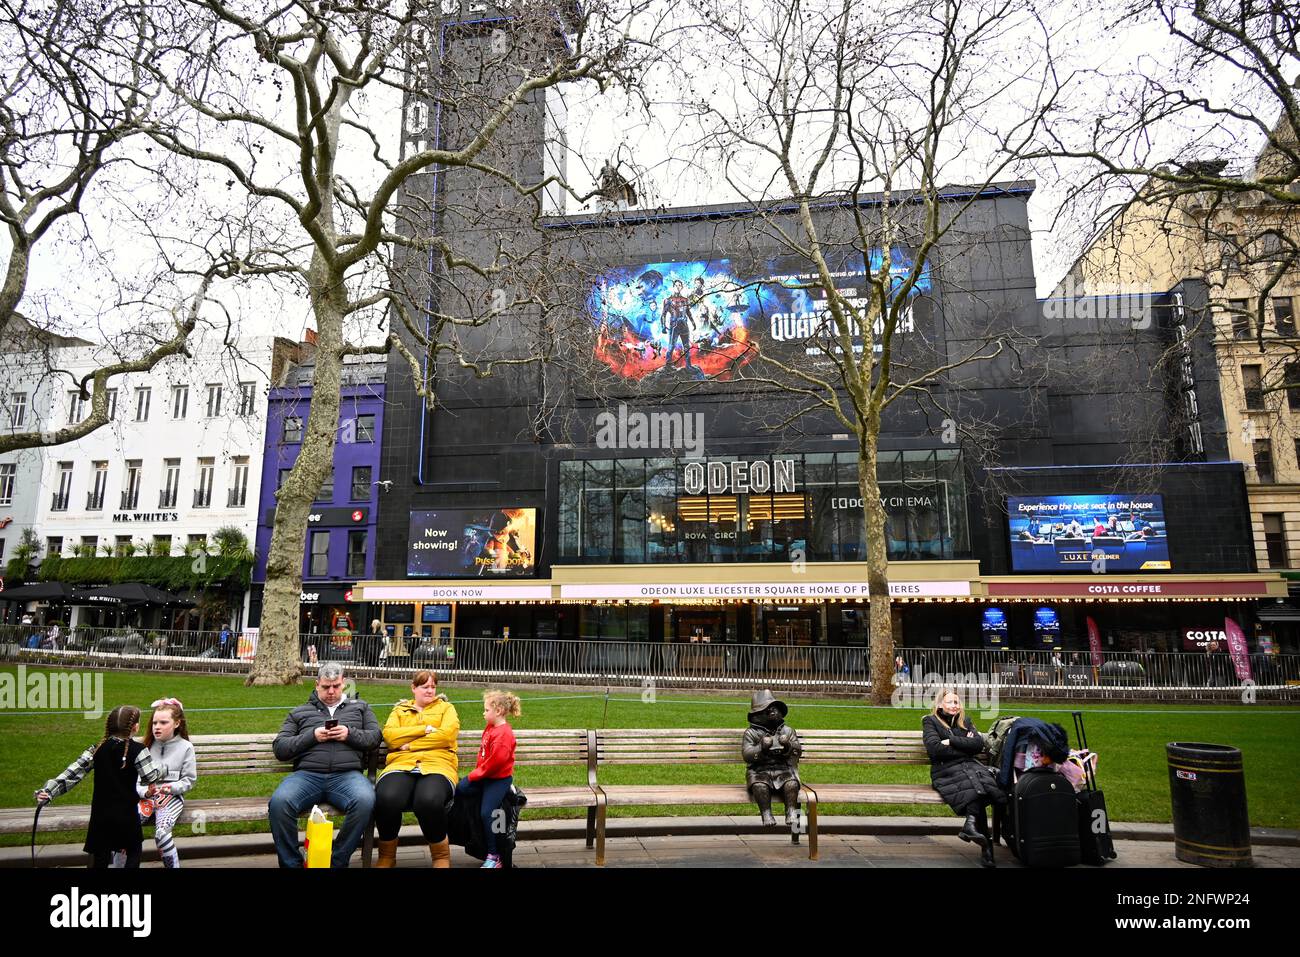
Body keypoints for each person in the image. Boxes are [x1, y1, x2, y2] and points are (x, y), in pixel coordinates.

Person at [268, 663, 380, 868]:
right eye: (326, 687)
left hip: (347, 776)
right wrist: (312, 737)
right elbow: (280, 748)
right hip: (307, 776)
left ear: (344, 684)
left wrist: (349, 733)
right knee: (279, 803)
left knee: (365, 800)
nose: (331, 691)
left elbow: (374, 738)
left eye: (336, 686)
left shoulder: (361, 707)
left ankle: (336, 861)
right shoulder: (299, 712)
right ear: (317, 684)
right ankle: (292, 864)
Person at [35, 705, 167, 868]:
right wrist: (164, 768)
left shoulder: (96, 749)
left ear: (109, 726)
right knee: (133, 851)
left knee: (100, 857)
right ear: (135, 727)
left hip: (100, 816)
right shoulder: (138, 750)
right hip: (126, 816)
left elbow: (73, 773)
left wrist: (49, 792)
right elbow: (150, 776)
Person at [375, 670, 461, 868]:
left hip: (437, 765)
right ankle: (387, 856)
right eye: (425, 687)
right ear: (413, 688)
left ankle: (440, 857)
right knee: (387, 798)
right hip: (401, 765)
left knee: (428, 801)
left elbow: (447, 736)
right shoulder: (399, 711)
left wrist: (410, 744)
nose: (430, 691)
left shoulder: (446, 708)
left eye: (433, 687)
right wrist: (424, 729)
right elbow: (390, 737)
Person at [922, 688, 1004, 868]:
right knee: (977, 786)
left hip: (970, 767)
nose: (954, 706)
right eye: (950, 702)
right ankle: (985, 846)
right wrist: (963, 745)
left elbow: (977, 744)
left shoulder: (965, 721)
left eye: (957, 702)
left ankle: (972, 826)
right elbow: (934, 749)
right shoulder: (930, 722)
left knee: (978, 785)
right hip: (945, 771)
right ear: (939, 704)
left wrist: (951, 741)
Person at [129, 697, 197, 868]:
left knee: (162, 833)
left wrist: (170, 788)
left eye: (163, 722)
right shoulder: (146, 747)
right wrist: (145, 792)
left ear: (177, 724)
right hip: (146, 798)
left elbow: (189, 780)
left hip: (171, 799)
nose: (157, 727)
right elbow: (137, 780)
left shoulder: (186, 747)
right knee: (126, 826)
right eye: (154, 723)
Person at [456, 690, 521, 869]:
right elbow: (484, 754)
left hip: (498, 779)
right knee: (461, 789)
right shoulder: (492, 727)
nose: (483, 713)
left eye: (486, 710)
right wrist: (475, 776)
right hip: (485, 776)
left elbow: (494, 764)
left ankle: (494, 855)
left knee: (487, 813)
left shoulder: (503, 735)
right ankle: (472, 835)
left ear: (498, 711)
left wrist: (473, 775)